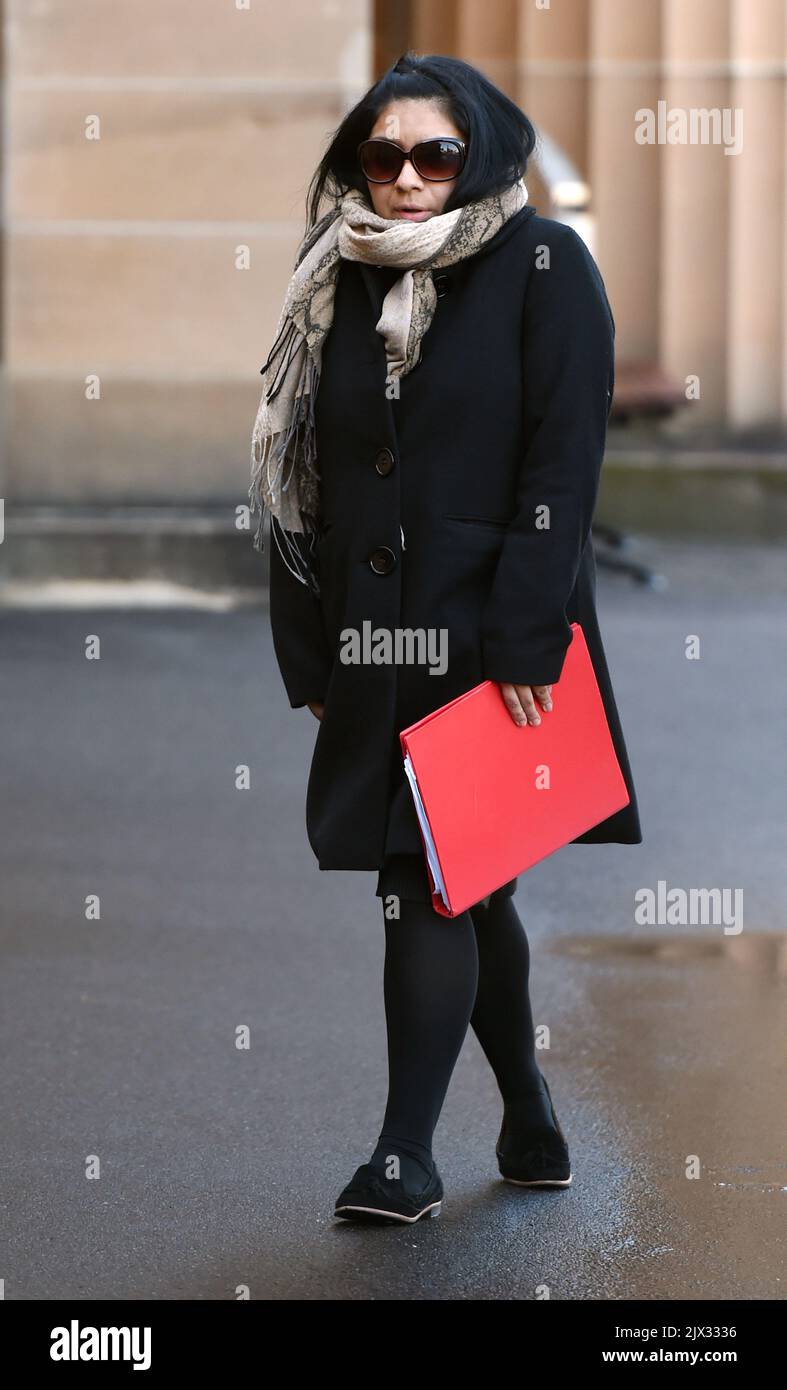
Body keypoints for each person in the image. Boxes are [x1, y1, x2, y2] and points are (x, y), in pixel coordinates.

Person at [249, 52, 642, 1225]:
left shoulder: (543, 265)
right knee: (462, 882)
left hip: (486, 635)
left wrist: (530, 636)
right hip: (371, 634)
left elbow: (561, 464)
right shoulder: (335, 277)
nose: (407, 179)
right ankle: (526, 1107)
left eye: (434, 155)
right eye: (382, 156)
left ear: (480, 152)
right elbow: (300, 479)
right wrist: (309, 650)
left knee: (424, 879)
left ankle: (400, 1156)